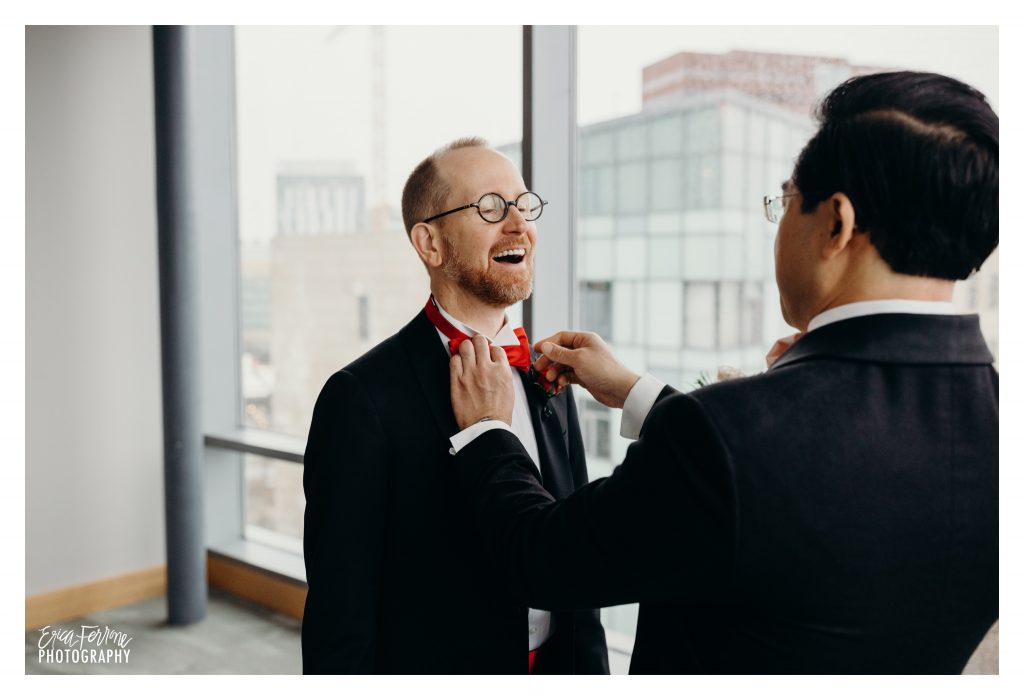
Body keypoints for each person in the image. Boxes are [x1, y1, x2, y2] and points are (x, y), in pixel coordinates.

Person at [446, 72, 998, 673]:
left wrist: (488, 431)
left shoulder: (733, 433)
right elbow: (771, 476)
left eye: (786, 203)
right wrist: (639, 394)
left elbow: (540, 560)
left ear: (836, 224)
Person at [301, 137, 609, 674]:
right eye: (490, 207)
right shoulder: (359, 398)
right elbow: (339, 617)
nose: (519, 225)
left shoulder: (551, 370)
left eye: (523, 204)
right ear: (431, 244)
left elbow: (576, 570)